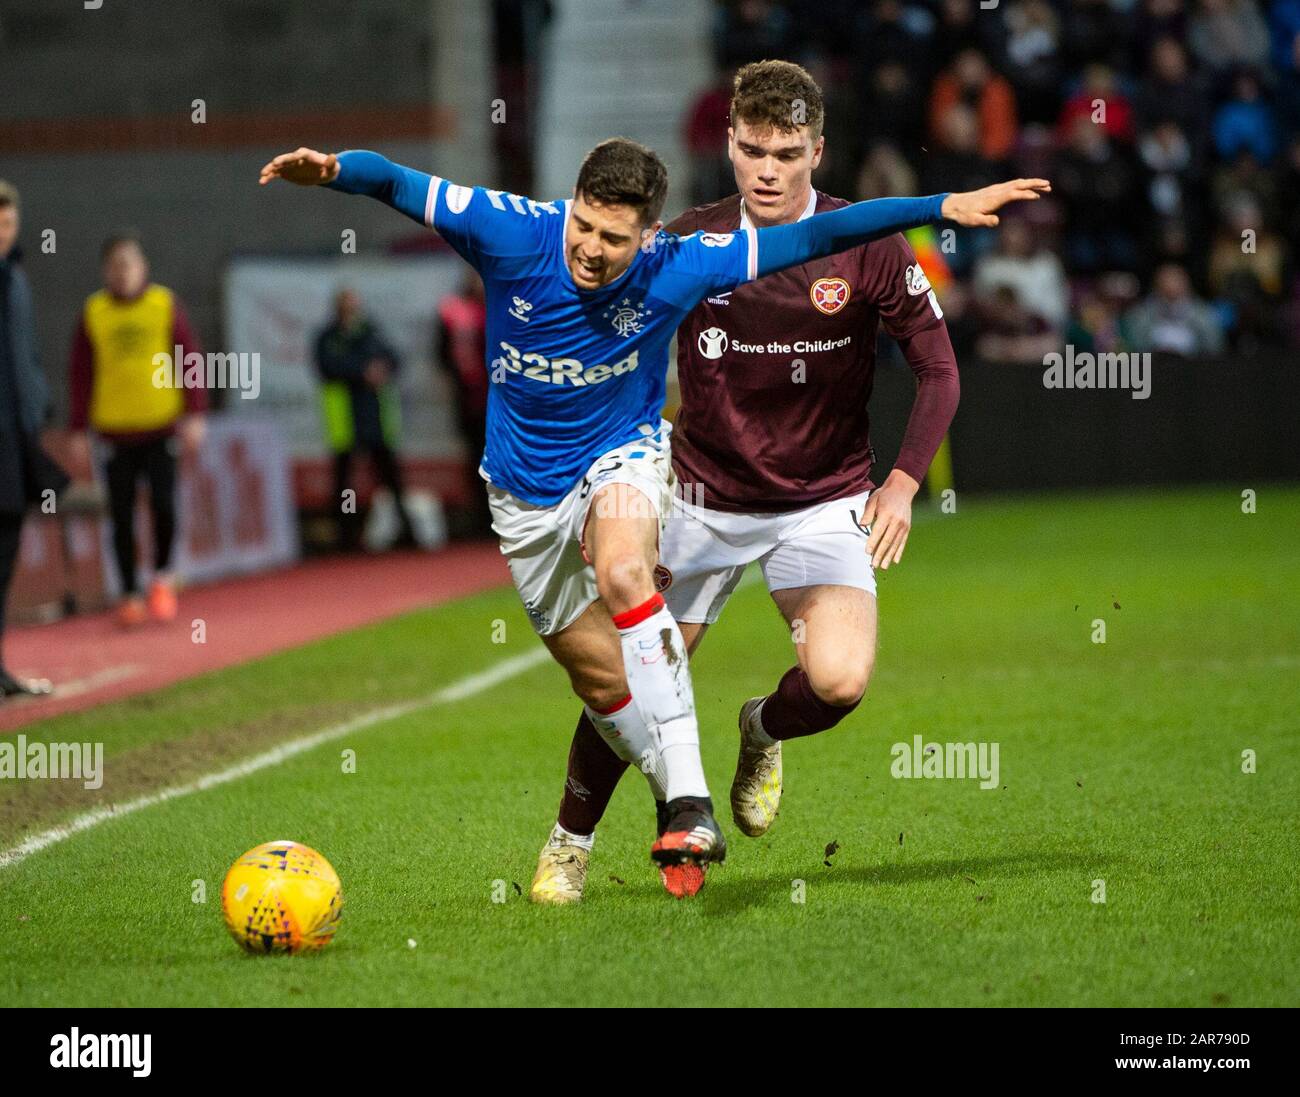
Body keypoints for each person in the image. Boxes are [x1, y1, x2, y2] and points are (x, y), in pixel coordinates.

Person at [258, 138, 1046, 891]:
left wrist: (940, 203)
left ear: (648, 237)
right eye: (585, 226)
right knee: (604, 685)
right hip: (523, 494)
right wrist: (332, 170)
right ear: (569, 207)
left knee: (627, 569)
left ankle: (689, 804)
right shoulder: (510, 229)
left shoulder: (683, 264)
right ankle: (594, 828)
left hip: (624, 456)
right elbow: (398, 182)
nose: (592, 249)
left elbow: (827, 231)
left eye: (614, 238)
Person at [530, 60, 967, 903]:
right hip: (699, 499)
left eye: (788, 152)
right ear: (727, 143)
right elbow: (607, 350)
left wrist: (906, 480)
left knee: (838, 681)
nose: (768, 169)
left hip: (825, 501)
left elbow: (940, 369)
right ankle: (568, 842)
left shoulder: (868, 242)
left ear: (818, 152)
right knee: (629, 685)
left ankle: (760, 727)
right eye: (752, 148)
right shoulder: (688, 245)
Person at [68, 235, 205, 626]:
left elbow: (189, 356)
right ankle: (128, 592)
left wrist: (195, 413)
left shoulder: (163, 304)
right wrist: (78, 427)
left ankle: (161, 576)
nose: (123, 273)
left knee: (164, 506)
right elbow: (80, 372)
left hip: (161, 425)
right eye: (115, 266)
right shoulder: (94, 312)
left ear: (142, 267)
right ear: (104, 271)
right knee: (122, 515)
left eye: (129, 264)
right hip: (113, 431)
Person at [0, 180, 59, 698]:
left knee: (5, 557)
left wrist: (39, 402)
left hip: (15, 446)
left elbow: (27, 356)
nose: (2, 231)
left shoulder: (17, 279)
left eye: (8, 222)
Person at [313, 289, 415, 550]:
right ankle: (346, 536)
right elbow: (327, 366)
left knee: (390, 477)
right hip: (346, 420)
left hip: (376, 416)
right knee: (345, 482)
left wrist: (381, 370)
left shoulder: (371, 332)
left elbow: (393, 359)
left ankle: (406, 531)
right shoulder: (328, 336)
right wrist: (362, 372)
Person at [435, 269, 491, 536]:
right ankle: (481, 517)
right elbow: (443, 354)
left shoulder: (497, 307)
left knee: (501, 456)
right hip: (469, 398)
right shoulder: (453, 312)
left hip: (499, 398)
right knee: (475, 458)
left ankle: (504, 514)